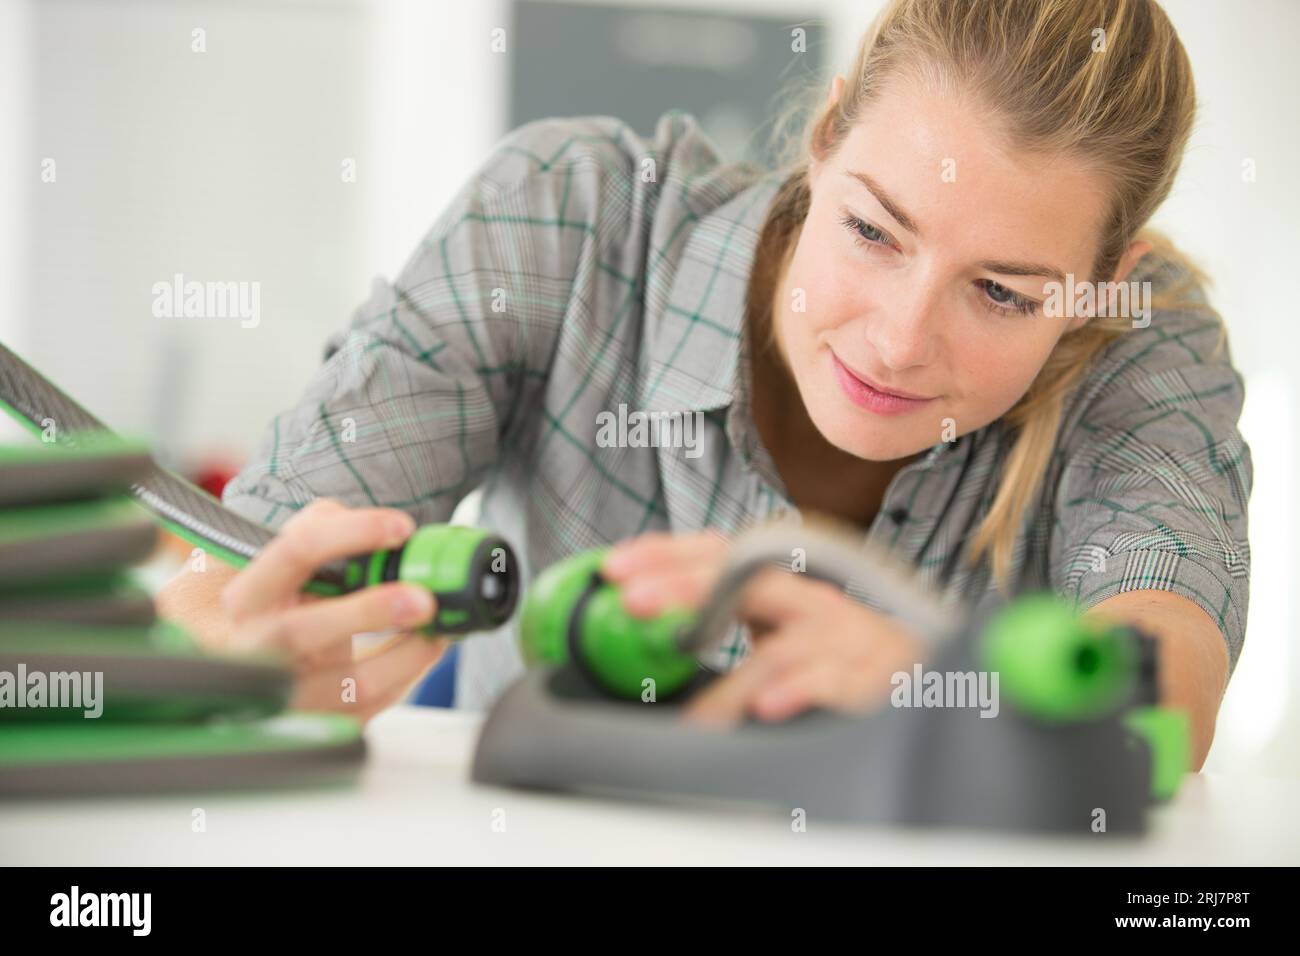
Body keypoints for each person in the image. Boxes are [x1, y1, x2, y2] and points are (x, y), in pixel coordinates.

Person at [158, 0, 1251, 768]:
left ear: (1110, 276)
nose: (900, 342)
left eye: (1003, 294)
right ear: (824, 137)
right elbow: (238, 565)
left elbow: (1170, 673)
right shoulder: (565, 222)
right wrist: (230, 659)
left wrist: (945, 686)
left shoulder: (1138, 345)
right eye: (873, 230)